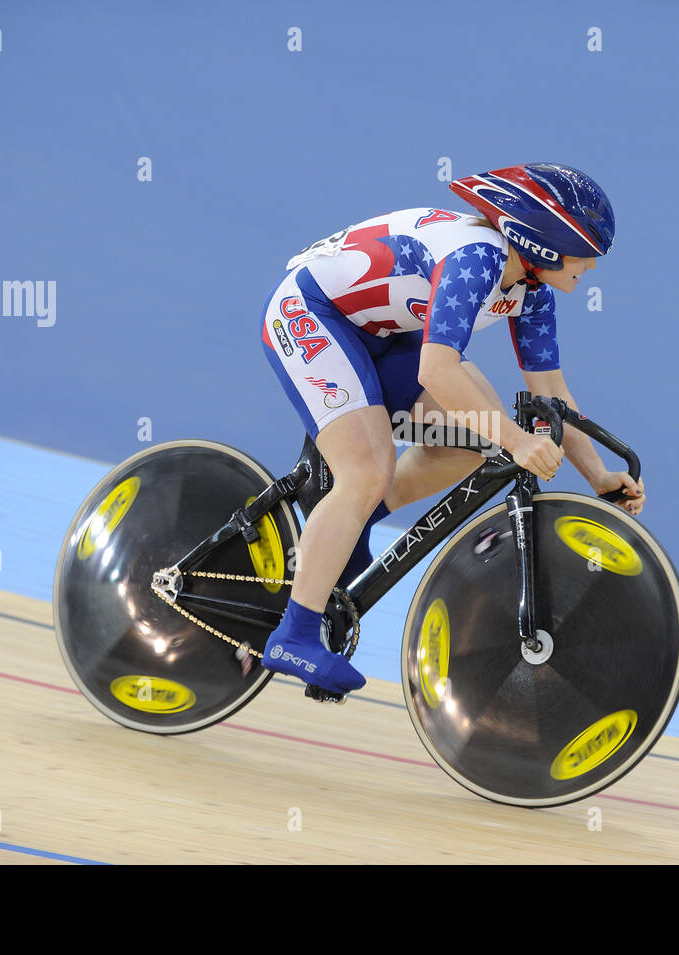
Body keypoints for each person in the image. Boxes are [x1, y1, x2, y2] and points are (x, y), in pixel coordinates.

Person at [257, 162, 644, 695]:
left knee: (486, 439)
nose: (593, 266)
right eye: (586, 250)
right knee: (368, 468)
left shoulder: (532, 288)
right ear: (546, 244)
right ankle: (293, 636)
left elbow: (551, 394)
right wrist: (517, 437)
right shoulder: (476, 261)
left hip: (379, 333)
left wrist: (596, 474)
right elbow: (436, 369)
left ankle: (357, 520)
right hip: (313, 314)